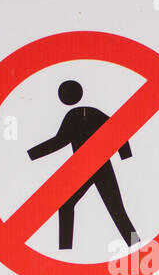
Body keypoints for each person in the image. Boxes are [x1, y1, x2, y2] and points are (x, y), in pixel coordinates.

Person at [27, 80, 138, 250]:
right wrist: (125, 156)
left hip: (92, 167)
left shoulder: (75, 115)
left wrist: (32, 154)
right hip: (90, 167)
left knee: (105, 207)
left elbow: (59, 141)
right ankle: (66, 250)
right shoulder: (89, 114)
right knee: (111, 208)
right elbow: (118, 131)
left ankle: (134, 243)